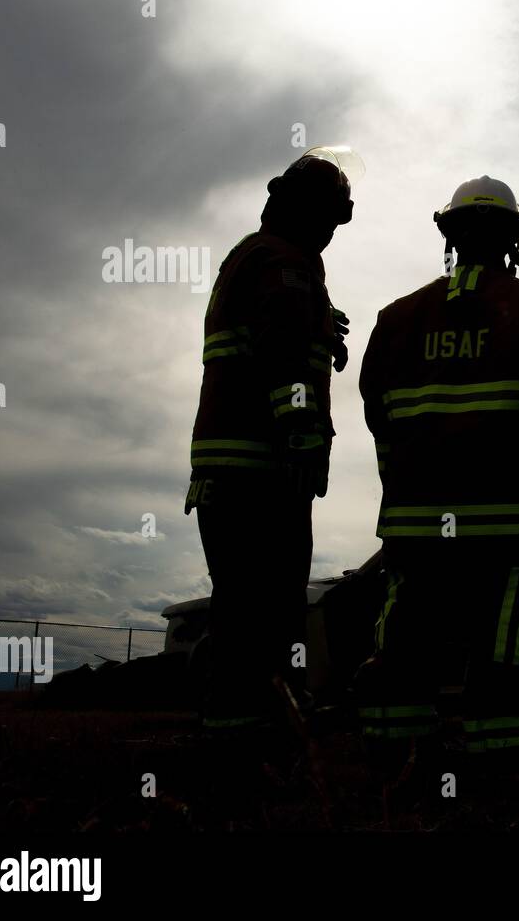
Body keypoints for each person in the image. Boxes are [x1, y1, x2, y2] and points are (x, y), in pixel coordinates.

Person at [356, 176, 519, 773]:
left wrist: (402, 498)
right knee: (506, 641)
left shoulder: (395, 321)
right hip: (517, 526)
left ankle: (398, 756)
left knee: (406, 637)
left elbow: (382, 423)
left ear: (449, 235)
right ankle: (504, 761)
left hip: (417, 525)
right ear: (514, 238)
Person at [186, 146, 356, 729]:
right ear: (307, 212)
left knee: (244, 602)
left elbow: (270, 337)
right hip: (260, 466)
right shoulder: (284, 264)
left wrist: (316, 317)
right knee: (268, 602)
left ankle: (245, 718)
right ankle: (247, 734)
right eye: (329, 220)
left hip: (232, 467)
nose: (332, 234)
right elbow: (282, 359)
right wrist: (303, 432)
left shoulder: (257, 257)